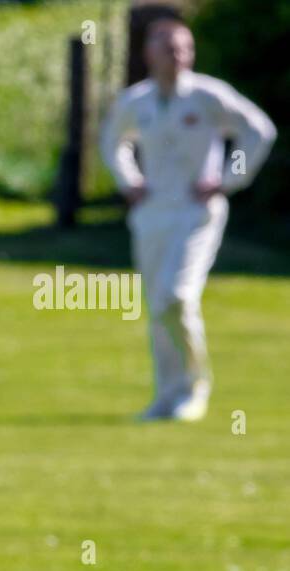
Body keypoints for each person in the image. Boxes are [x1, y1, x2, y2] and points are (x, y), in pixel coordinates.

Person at [100, 17, 276, 421]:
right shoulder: (137, 101)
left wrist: (229, 178)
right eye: (168, 47)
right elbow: (113, 142)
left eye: (184, 48)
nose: (178, 56)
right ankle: (167, 395)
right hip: (151, 213)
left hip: (196, 212)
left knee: (176, 296)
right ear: (149, 53)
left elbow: (258, 131)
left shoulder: (207, 95)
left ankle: (194, 388)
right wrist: (130, 181)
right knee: (159, 307)